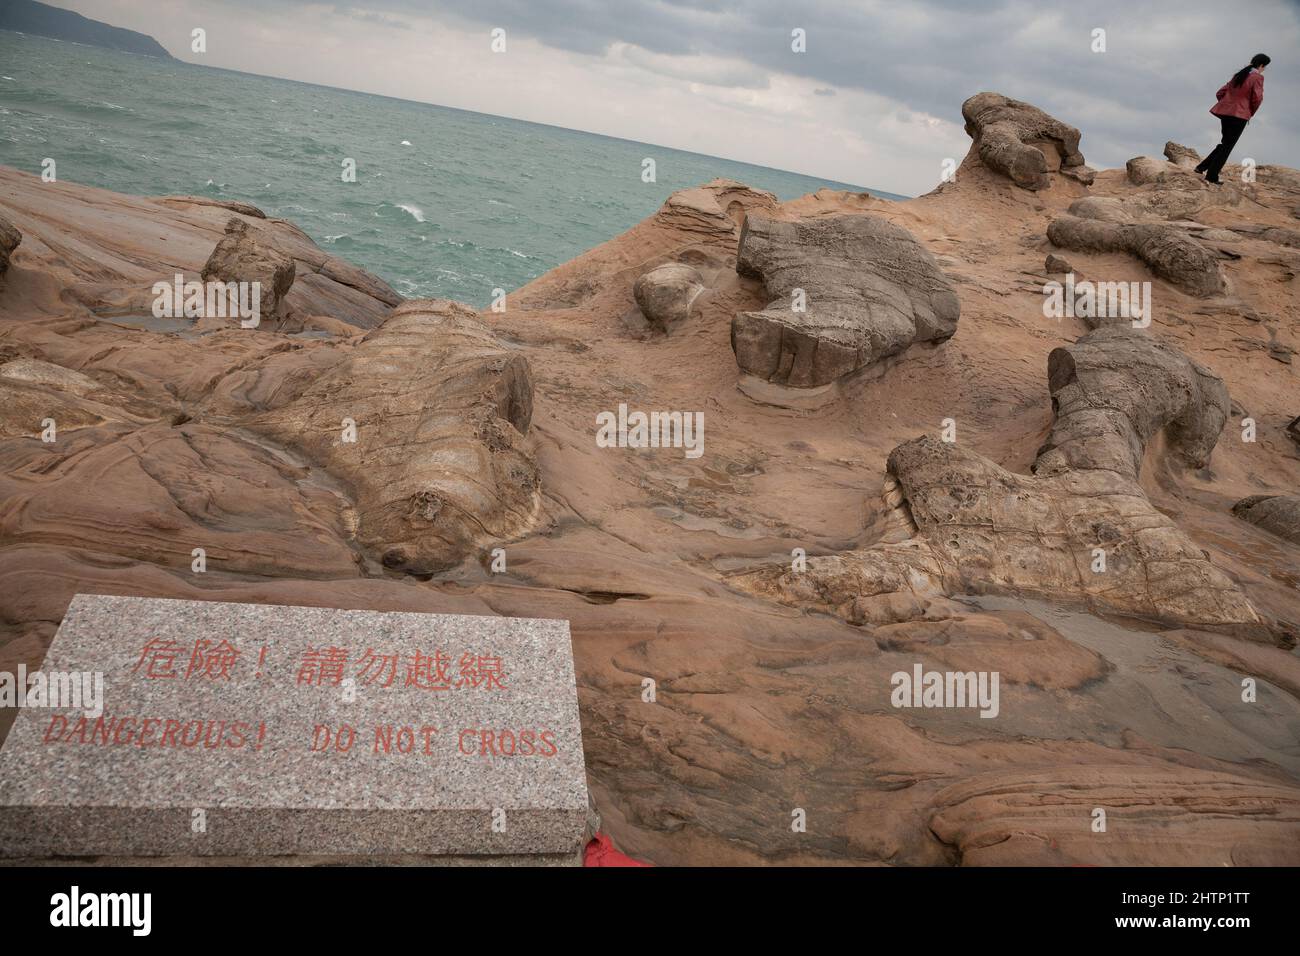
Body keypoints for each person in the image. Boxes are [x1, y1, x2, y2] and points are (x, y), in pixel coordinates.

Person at [1196, 54, 1269, 184]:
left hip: (1226, 113)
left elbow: (1220, 92)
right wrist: (1249, 112)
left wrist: (1227, 104)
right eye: (1265, 67)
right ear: (1262, 65)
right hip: (1239, 115)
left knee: (1225, 144)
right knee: (1227, 147)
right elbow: (1257, 99)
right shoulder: (1257, 77)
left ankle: (1201, 167)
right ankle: (1211, 176)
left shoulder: (1239, 75)